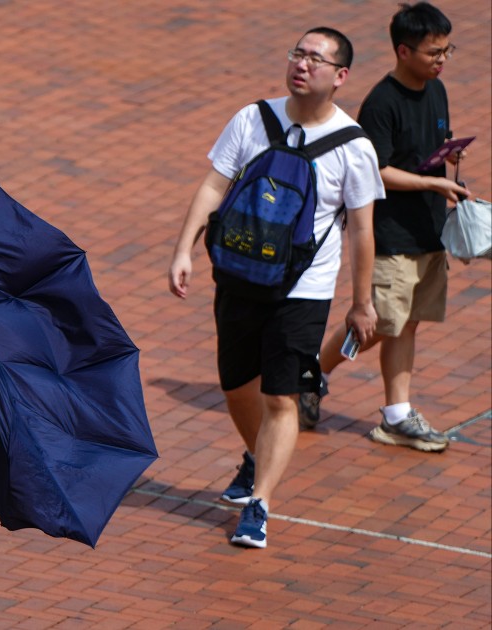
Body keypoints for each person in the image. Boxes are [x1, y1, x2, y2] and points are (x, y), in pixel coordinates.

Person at [168, 28, 383, 549]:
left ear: (341, 75)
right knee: (235, 385)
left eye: (315, 59)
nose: (302, 65)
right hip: (240, 274)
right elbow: (214, 185)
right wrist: (183, 250)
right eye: (297, 54)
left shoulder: (354, 147)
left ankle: (258, 505)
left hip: (303, 289)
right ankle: (256, 456)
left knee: (281, 397)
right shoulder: (253, 119)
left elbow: (362, 230)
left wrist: (361, 303)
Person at [301, 3, 471, 453]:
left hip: (429, 231)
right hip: (392, 235)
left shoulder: (436, 89)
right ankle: (311, 375)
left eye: (446, 50)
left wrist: (448, 155)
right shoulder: (381, 103)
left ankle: (396, 414)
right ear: (403, 51)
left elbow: (430, 143)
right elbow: (376, 170)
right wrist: (432, 182)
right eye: (434, 52)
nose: (441, 60)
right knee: (376, 323)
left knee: (405, 324)